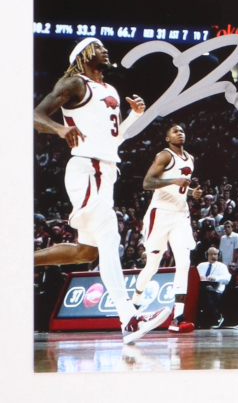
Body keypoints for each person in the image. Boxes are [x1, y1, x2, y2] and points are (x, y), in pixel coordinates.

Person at [32, 37, 169, 343]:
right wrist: (60, 128)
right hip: (86, 167)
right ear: (83, 55)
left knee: (87, 251)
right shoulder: (74, 83)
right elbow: (35, 115)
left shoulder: (110, 90)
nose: (104, 48)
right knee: (109, 230)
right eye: (96, 45)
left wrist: (134, 115)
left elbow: (114, 139)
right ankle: (128, 317)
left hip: (106, 170)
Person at [130, 123, 200, 333]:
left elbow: (180, 188)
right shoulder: (164, 156)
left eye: (182, 131)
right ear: (167, 138)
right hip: (159, 213)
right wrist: (173, 181)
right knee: (152, 265)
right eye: (175, 131)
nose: (180, 133)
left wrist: (191, 193)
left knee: (184, 261)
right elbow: (147, 183)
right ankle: (133, 305)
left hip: (180, 214)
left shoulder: (191, 159)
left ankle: (178, 317)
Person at [195, 246, 231, 328]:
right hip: (202, 289)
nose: (213, 256)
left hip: (216, 291)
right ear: (207, 255)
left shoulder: (222, 266)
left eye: (215, 254)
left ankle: (217, 317)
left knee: (207, 295)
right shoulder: (201, 266)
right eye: (211, 254)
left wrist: (216, 278)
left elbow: (227, 279)